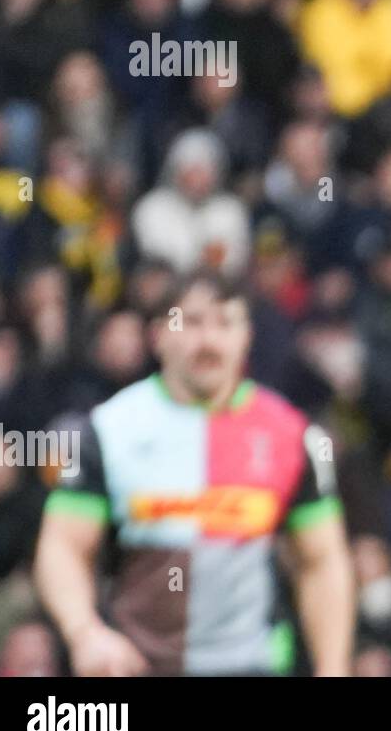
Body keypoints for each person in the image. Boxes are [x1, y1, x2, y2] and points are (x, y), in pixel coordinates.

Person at [33, 268, 355, 676]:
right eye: (192, 322)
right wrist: (84, 632)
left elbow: (323, 562)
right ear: (157, 336)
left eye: (226, 323)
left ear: (247, 337)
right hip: (138, 668)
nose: (209, 341)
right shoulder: (108, 429)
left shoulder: (291, 435)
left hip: (255, 667)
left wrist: (333, 669)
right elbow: (63, 547)